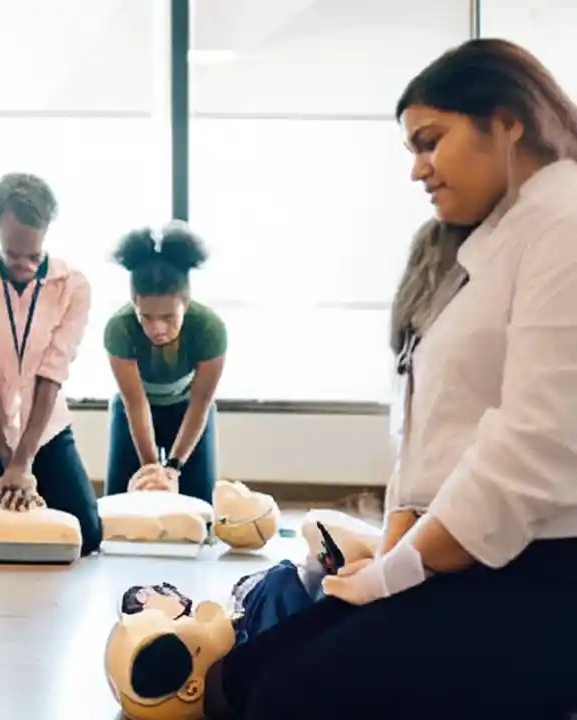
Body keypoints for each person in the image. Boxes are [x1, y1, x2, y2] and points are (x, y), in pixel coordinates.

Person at [207, 39, 577, 720]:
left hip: (542, 569)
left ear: (507, 122)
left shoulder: (564, 224)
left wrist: (396, 572)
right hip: (463, 550)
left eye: (430, 141)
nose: (417, 169)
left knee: (280, 698)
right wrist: (392, 553)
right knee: (242, 673)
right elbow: (429, 435)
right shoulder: (489, 244)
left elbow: (536, 443)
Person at [0, 173, 101, 556]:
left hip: (43, 428)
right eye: (14, 256)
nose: (25, 266)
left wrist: (23, 462)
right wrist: (7, 461)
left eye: (34, 257)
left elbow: (52, 374)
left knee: (88, 534)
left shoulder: (73, 286)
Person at [103, 223, 225, 503]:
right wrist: (152, 471)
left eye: (169, 317)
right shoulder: (119, 328)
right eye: (146, 317)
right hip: (135, 408)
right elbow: (135, 403)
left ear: (185, 302)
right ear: (134, 303)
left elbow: (200, 403)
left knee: (200, 504)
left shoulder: (209, 328)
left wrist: (172, 467)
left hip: (188, 408)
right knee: (121, 501)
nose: (157, 328)